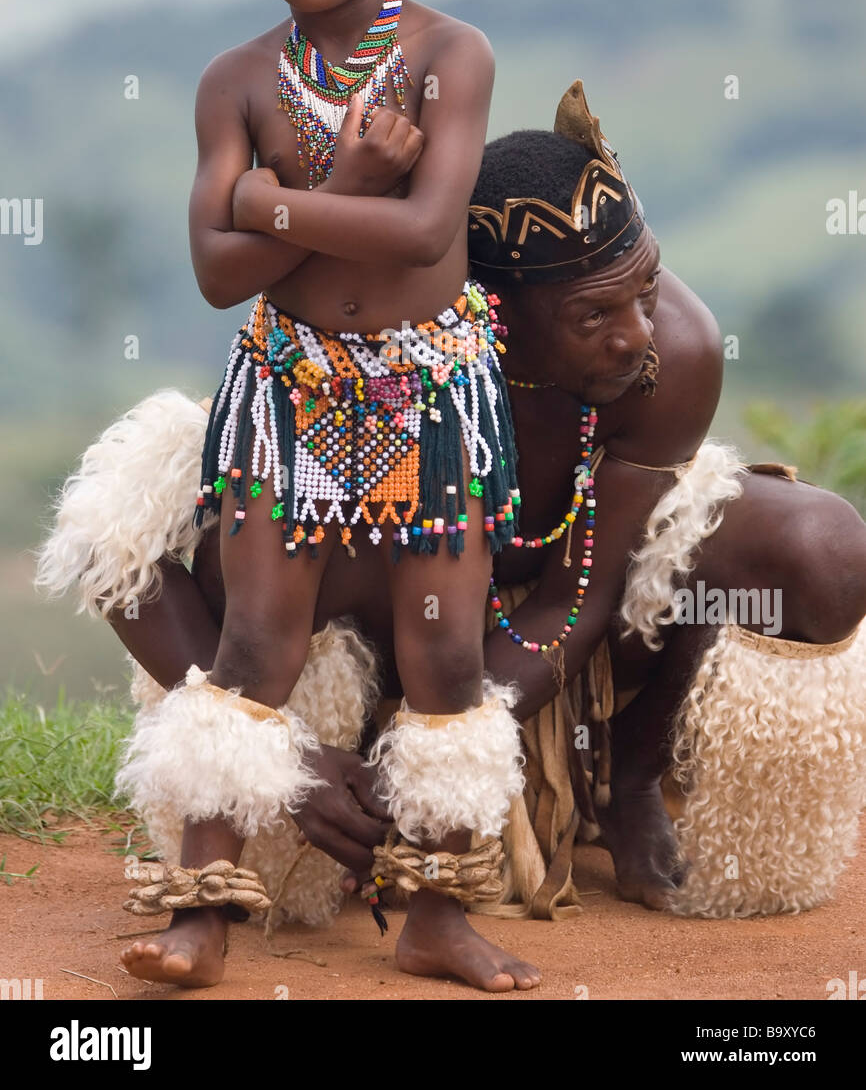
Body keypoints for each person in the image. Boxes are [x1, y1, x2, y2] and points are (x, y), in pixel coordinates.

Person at [35, 81, 866, 952]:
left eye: (647, 288)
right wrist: (284, 758)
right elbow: (112, 555)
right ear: (490, 318)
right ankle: (307, 805)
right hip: (395, 628)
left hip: (559, 629)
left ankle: (629, 775)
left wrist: (438, 766)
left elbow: (576, 595)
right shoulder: (382, 333)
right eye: (595, 316)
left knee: (821, 546)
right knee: (243, 552)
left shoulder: (674, 353)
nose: (638, 336)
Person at [96, 0, 538, 994]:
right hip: (286, 398)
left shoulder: (450, 57)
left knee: (443, 658)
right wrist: (342, 176)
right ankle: (200, 913)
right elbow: (214, 274)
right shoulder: (235, 80)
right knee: (253, 644)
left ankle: (437, 916)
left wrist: (267, 201)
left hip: (431, 397)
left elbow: (424, 228)